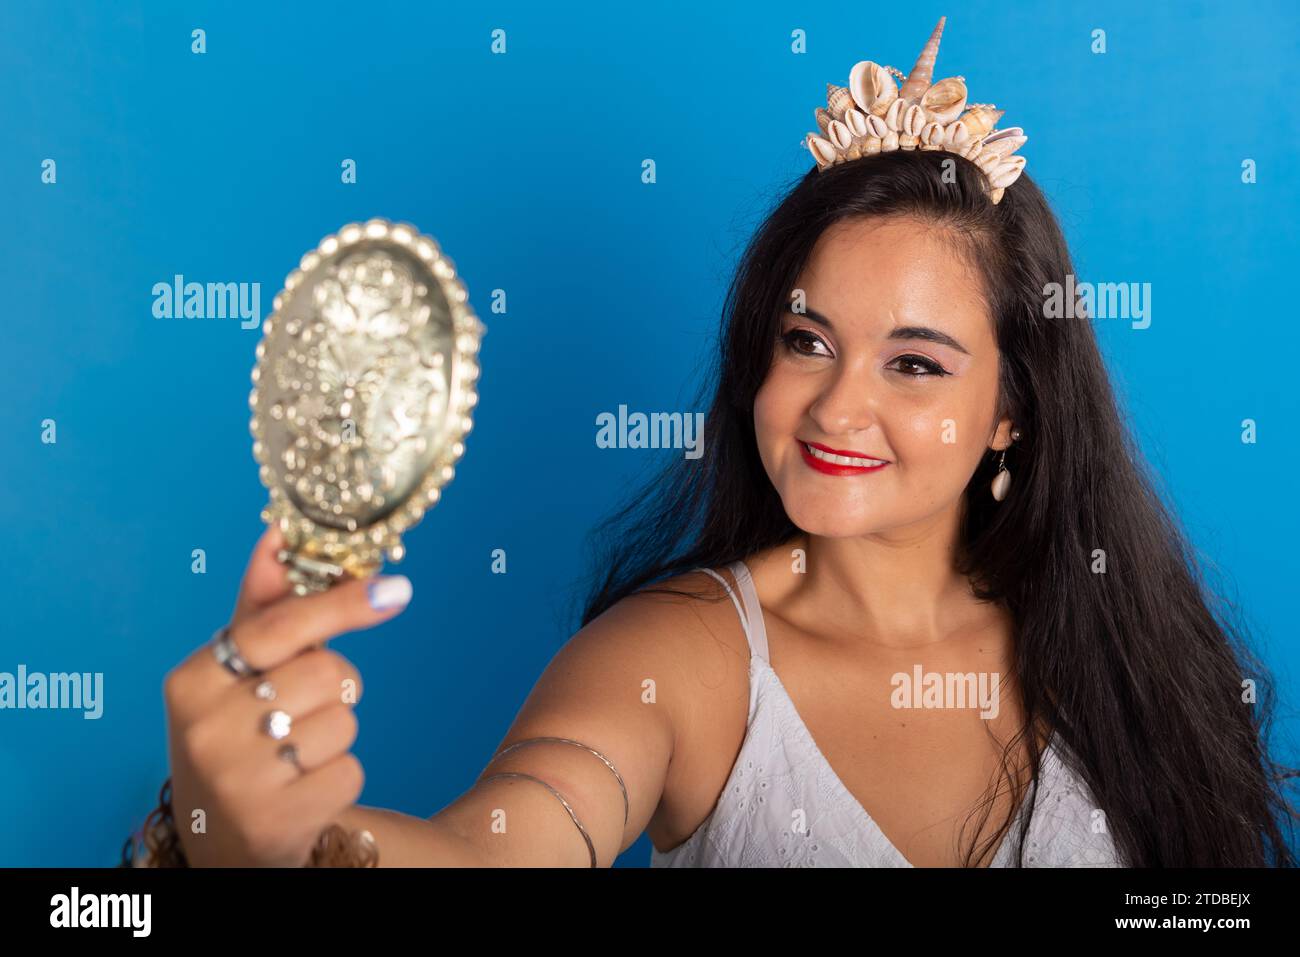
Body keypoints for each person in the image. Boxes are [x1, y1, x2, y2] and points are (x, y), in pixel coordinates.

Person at [127, 19, 1298, 868]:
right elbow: (500, 841)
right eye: (805, 340)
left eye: (915, 362)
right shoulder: (683, 659)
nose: (836, 409)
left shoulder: (1120, 644)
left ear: (1013, 411)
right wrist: (257, 842)